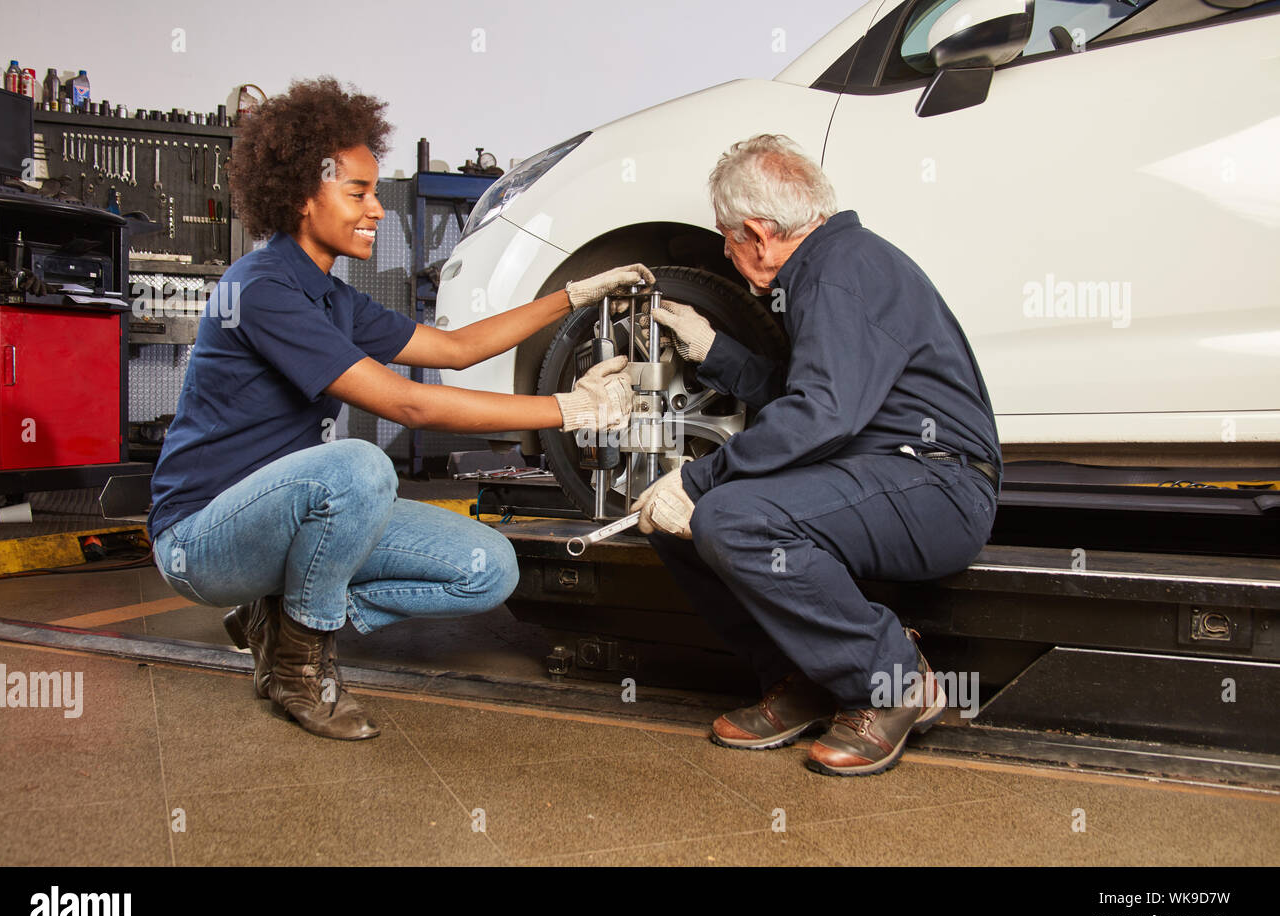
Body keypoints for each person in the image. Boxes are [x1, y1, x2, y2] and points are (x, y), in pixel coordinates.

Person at [148, 77, 647, 741]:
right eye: (357, 192)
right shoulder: (263, 289)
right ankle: (300, 670)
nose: (376, 209)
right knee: (359, 467)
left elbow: (457, 348)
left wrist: (573, 296)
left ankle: (283, 618)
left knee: (489, 569)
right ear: (301, 196)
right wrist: (569, 410)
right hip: (204, 538)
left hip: (289, 521)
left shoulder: (331, 296)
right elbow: (408, 404)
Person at [634, 134, 1001, 776]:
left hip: (936, 484)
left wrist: (699, 477)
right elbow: (811, 391)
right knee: (677, 529)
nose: (726, 251)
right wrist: (712, 349)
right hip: (879, 471)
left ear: (759, 232)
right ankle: (804, 676)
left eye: (726, 237)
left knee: (729, 518)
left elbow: (821, 416)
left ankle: (894, 680)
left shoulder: (841, 271)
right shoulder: (831, 266)